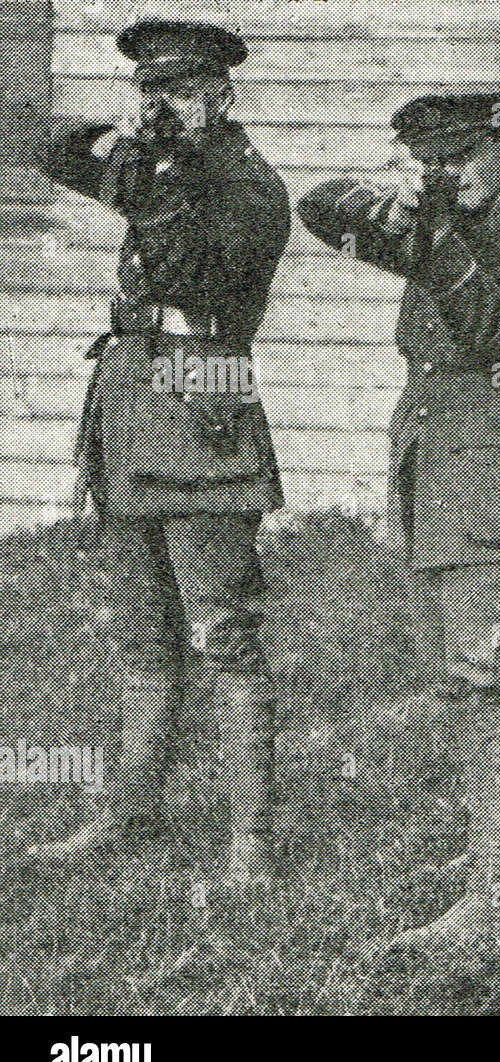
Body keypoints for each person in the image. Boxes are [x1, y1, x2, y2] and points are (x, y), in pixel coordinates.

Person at [298, 89, 500, 954]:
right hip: (435, 490)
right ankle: (491, 873)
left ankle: (498, 904)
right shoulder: (433, 225)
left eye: (460, 157)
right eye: (429, 161)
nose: (445, 174)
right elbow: (317, 209)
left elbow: (497, 334)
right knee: (465, 688)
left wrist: (435, 233)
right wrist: (384, 201)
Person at [29, 20, 290, 888]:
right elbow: (52, 150)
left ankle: (251, 843)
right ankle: (130, 813)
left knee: (226, 635)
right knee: (144, 636)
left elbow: (197, 279)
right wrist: (122, 141)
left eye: (177, 94)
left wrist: (167, 179)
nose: (160, 109)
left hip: (205, 404)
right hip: (135, 409)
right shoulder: (156, 167)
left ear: (222, 96)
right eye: (148, 93)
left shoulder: (248, 184)